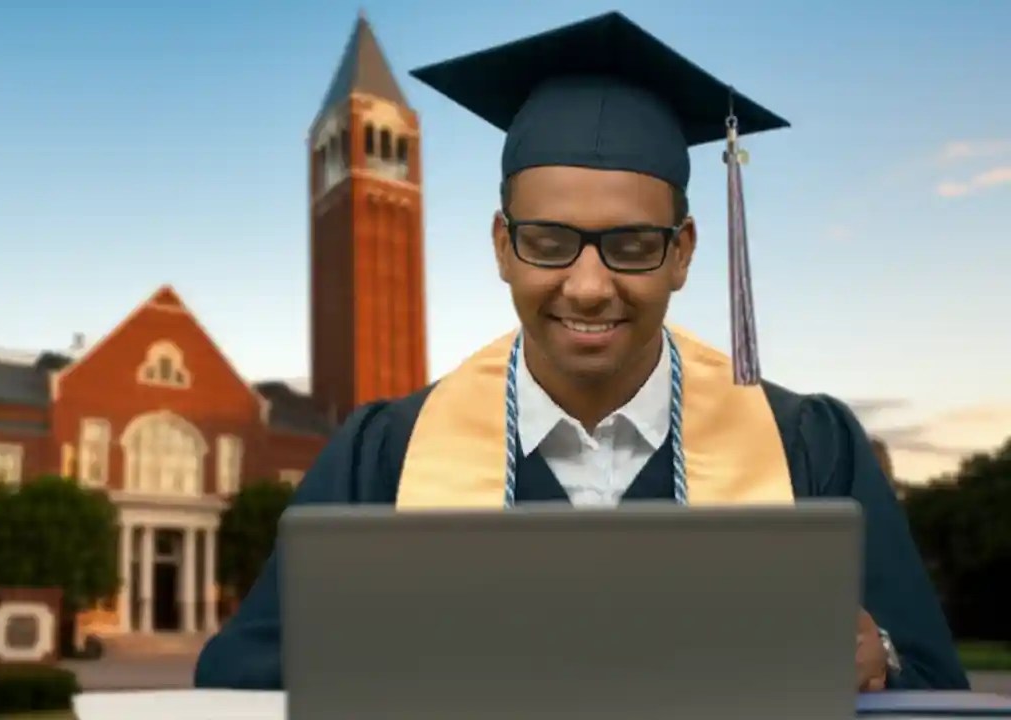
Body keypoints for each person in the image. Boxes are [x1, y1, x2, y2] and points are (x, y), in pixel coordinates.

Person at [195, 11, 968, 693]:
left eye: (631, 243)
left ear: (683, 252)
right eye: (549, 241)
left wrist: (879, 657)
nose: (589, 286)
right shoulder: (384, 454)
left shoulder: (808, 449)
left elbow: (935, 684)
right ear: (503, 246)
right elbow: (237, 679)